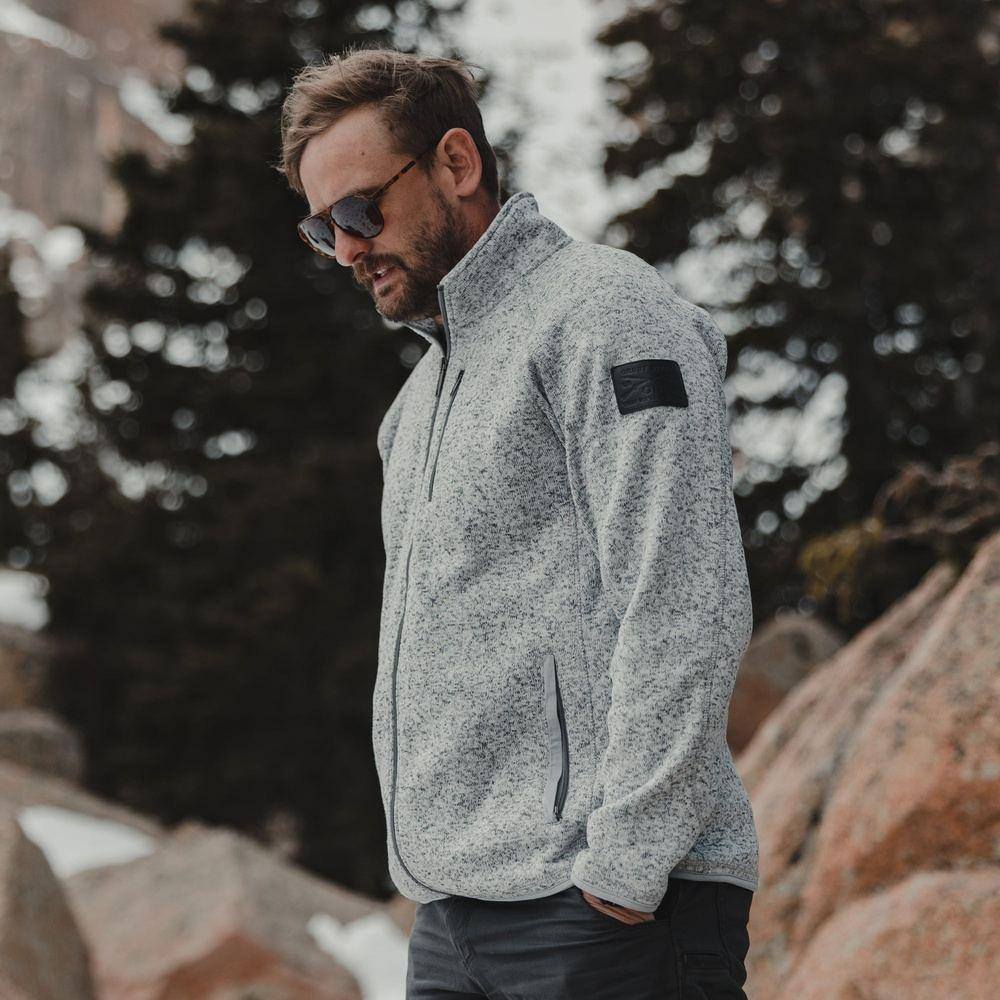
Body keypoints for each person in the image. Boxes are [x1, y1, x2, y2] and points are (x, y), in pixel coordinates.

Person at [279, 46, 758, 1000]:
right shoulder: (414, 409)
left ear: (456, 163)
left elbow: (684, 590)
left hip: (604, 912)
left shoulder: (606, 315)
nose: (347, 251)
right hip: (454, 920)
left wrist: (624, 870)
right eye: (321, 228)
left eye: (360, 212)